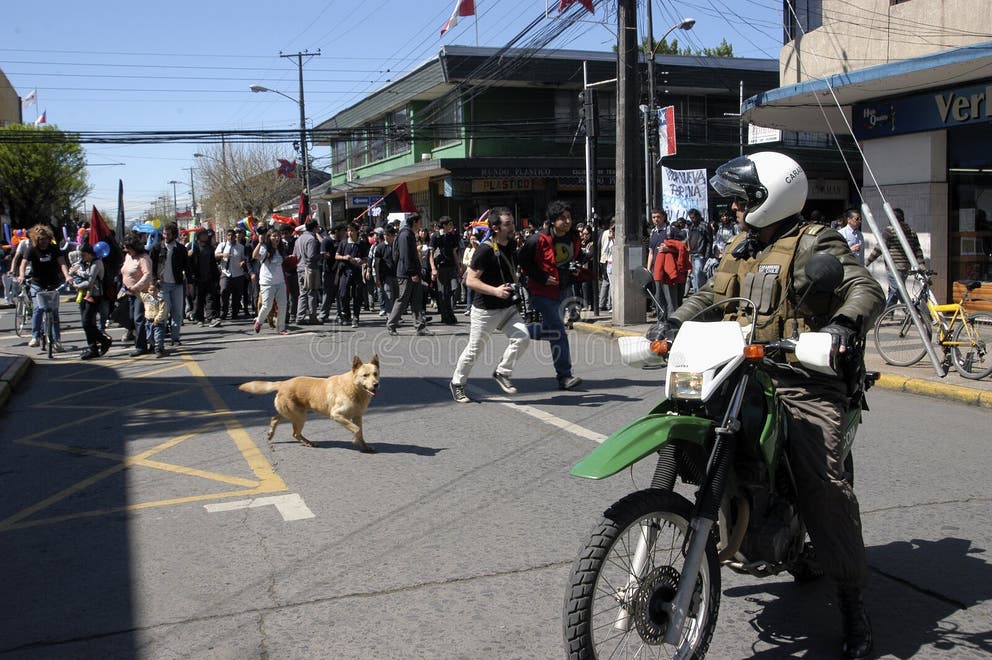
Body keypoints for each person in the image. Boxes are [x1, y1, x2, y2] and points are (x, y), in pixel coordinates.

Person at [660, 151, 883, 660]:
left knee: (823, 484)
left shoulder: (815, 242)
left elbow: (864, 286)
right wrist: (674, 323)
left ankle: (851, 599)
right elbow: (710, 299)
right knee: (682, 420)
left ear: (771, 198)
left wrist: (844, 326)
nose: (735, 209)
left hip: (803, 380)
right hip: (740, 369)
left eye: (743, 200)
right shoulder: (740, 247)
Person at [450, 207, 531, 403]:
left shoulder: (511, 244)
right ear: (495, 228)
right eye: (508, 224)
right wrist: (495, 290)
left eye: (512, 222)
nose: (513, 227)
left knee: (523, 337)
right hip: (485, 310)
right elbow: (470, 281)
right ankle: (457, 383)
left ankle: (502, 372)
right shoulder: (484, 250)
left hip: (507, 308)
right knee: (474, 350)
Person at [520, 200, 582, 390]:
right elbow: (522, 260)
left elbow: (575, 257)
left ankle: (518, 331)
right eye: (562, 218)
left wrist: (576, 269)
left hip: (563, 288)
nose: (567, 221)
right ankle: (564, 376)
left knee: (551, 331)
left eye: (569, 217)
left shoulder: (573, 237)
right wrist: (543, 277)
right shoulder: (538, 239)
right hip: (542, 291)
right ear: (553, 221)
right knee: (559, 332)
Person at [19, 224, 71, 351]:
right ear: (36, 239)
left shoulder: (54, 249)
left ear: (49, 238)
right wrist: (21, 276)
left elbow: (62, 263)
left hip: (53, 283)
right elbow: (23, 264)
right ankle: (35, 336)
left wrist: (67, 276)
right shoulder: (32, 249)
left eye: (45, 239)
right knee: (38, 308)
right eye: (41, 239)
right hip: (37, 284)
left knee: (54, 312)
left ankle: (57, 340)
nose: (43, 242)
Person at [864, 207, 926, 307]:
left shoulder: (890, 231)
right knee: (894, 289)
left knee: (898, 290)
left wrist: (868, 261)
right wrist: (921, 264)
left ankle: (908, 311)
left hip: (893, 267)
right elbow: (918, 250)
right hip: (906, 267)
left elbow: (880, 247)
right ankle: (889, 314)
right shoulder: (911, 232)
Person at [385, 213, 432, 336]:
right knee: (402, 300)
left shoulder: (409, 234)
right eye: (420, 221)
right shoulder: (405, 235)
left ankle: (420, 327)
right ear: (415, 222)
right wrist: (412, 273)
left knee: (416, 300)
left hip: (413, 272)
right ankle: (391, 325)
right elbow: (405, 256)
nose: (421, 224)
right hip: (407, 274)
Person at [150, 223, 191, 346]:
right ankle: (159, 340)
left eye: (168, 234)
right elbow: (151, 267)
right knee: (163, 313)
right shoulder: (157, 248)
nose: (166, 236)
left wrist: (190, 283)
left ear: (174, 234)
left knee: (177, 312)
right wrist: (153, 281)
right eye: (164, 234)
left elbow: (187, 267)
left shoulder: (181, 249)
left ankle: (175, 337)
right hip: (162, 285)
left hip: (177, 284)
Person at [74, 243, 113, 359]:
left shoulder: (97, 263)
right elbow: (86, 274)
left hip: (95, 295)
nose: (82, 258)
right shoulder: (88, 262)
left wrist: (78, 285)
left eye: (84, 255)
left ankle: (104, 340)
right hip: (87, 295)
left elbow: (90, 281)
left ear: (90, 254)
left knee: (87, 322)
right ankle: (93, 348)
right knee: (88, 323)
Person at [121, 236, 155, 356]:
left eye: (128, 248)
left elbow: (147, 275)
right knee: (131, 319)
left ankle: (141, 346)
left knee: (139, 319)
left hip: (141, 293)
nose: (126, 250)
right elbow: (125, 273)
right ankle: (148, 341)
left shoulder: (144, 258)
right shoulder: (128, 257)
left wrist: (136, 287)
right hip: (129, 293)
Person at [253, 228, 290, 335]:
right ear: (269, 237)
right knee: (267, 306)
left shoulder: (281, 248)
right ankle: (259, 321)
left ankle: (281, 328)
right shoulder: (265, 248)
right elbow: (255, 256)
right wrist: (260, 243)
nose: (276, 238)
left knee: (283, 305)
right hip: (267, 282)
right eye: (274, 236)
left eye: (278, 236)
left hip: (280, 281)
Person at [334, 222, 369, 328]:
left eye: (352, 231)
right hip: (345, 271)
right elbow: (336, 256)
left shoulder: (362, 244)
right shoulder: (343, 243)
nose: (350, 233)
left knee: (357, 295)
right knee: (343, 293)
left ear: (357, 231)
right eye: (348, 231)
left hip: (357, 272)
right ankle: (346, 313)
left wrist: (360, 261)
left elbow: (366, 259)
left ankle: (356, 316)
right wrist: (345, 257)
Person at [430, 216, 462, 324]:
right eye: (450, 224)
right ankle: (446, 316)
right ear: (444, 225)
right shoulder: (435, 236)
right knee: (442, 293)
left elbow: (454, 253)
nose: (452, 226)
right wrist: (433, 268)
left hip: (452, 266)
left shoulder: (452, 236)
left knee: (454, 288)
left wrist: (459, 267)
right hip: (441, 267)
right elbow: (431, 254)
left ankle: (449, 312)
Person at [189, 229, 222, 328]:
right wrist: (189, 255)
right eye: (203, 235)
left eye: (205, 235)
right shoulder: (194, 248)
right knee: (198, 299)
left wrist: (215, 276)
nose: (205, 236)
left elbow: (213, 263)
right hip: (198, 278)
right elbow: (189, 264)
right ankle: (199, 318)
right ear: (198, 237)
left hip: (209, 277)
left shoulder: (210, 248)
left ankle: (211, 317)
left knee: (210, 298)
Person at [293, 219, 323, 325]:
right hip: (310, 269)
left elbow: (294, 255)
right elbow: (311, 256)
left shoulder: (298, 239)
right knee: (312, 293)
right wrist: (322, 256)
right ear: (314, 228)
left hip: (299, 268)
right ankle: (312, 317)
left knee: (302, 293)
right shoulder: (312, 239)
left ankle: (300, 317)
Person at [215, 228, 247, 320]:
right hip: (226, 273)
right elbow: (215, 255)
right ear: (226, 236)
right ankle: (224, 312)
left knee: (237, 295)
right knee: (224, 291)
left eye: (233, 235)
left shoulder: (240, 247)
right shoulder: (222, 245)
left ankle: (235, 313)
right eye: (229, 235)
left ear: (235, 236)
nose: (231, 237)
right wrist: (222, 255)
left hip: (238, 273)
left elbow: (245, 258)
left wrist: (243, 262)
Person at [685, 208, 712, 293]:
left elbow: (709, 241)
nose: (692, 219)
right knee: (693, 276)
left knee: (699, 274)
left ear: (698, 216)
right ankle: (697, 293)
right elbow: (689, 239)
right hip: (692, 253)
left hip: (700, 253)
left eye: (693, 217)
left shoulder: (704, 225)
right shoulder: (691, 226)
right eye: (691, 217)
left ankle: (701, 293)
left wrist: (707, 255)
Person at [141, 280, 170, 357]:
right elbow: (138, 293)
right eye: (151, 290)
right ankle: (154, 346)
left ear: (158, 290)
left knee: (158, 337)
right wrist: (130, 288)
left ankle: (159, 349)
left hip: (158, 322)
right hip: (148, 321)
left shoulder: (161, 300)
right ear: (148, 290)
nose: (152, 292)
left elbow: (163, 311)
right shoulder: (146, 298)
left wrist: (157, 319)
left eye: (155, 290)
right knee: (149, 337)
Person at [598, 223, 615, 311]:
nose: (610, 233)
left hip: (610, 262)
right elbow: (604, 249)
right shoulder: (610, 238)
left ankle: (609, 304)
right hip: (609, 262)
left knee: (609, 284)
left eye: (612, 231)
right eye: (611, 230)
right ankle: (611, 304)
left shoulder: (615, 239)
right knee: (611, 284)